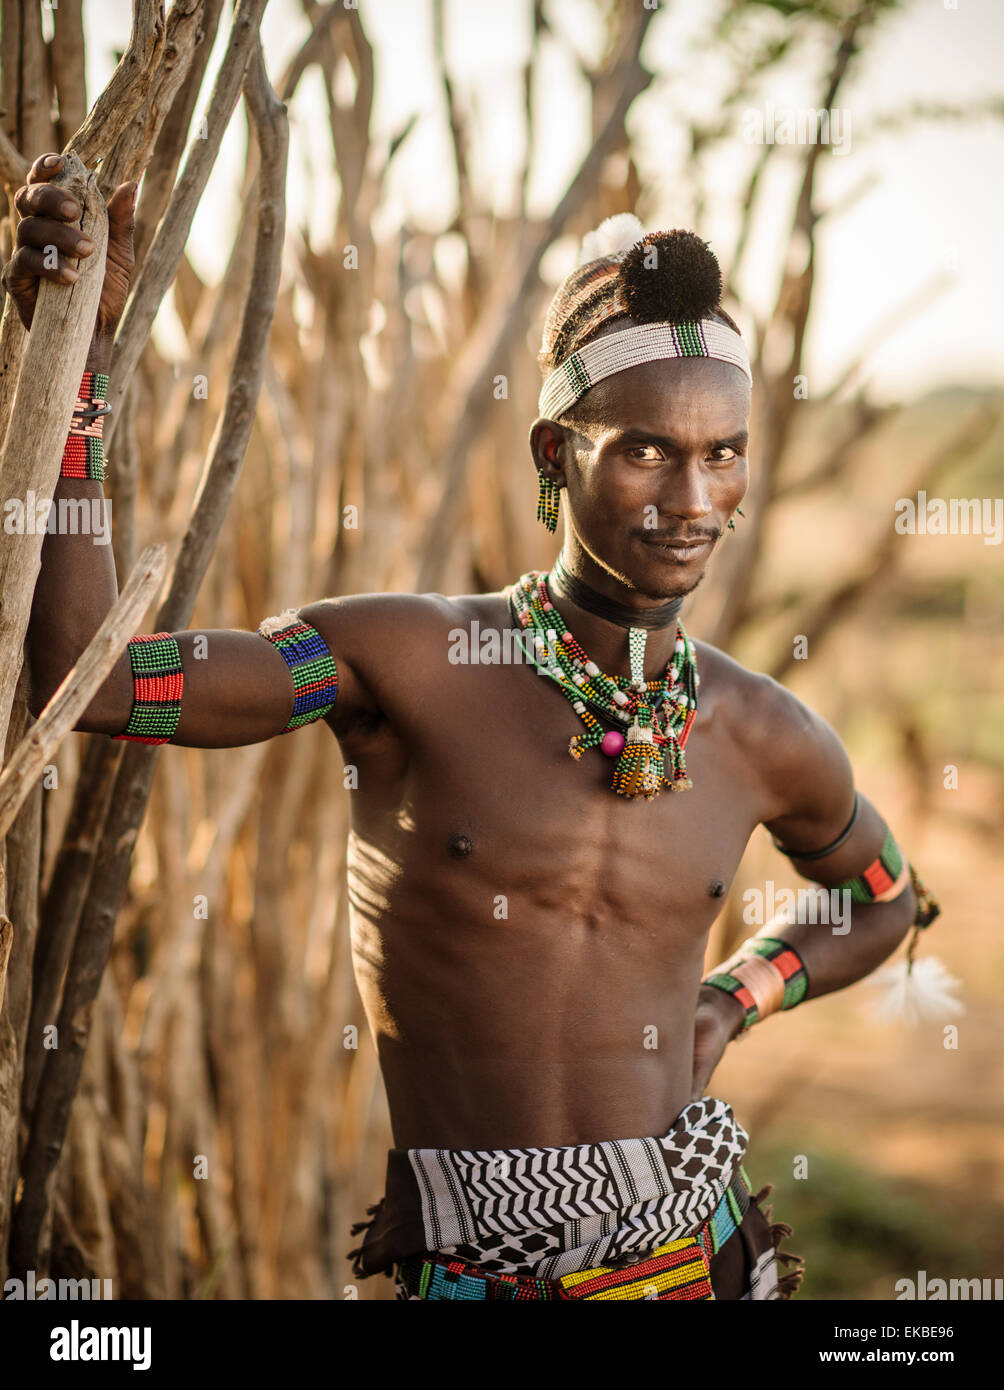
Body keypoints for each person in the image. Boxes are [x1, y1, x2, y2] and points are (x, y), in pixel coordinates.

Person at [6, 159, 939, 1301]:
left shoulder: (761, 732)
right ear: (556, 455)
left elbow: (883, 895)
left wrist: (731, 996)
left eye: (721, 453)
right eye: (645, 449)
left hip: (694, 1258)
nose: (691, 500)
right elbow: (99, 682)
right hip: (472, 1271)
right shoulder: (399, 664)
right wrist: (77, 374)